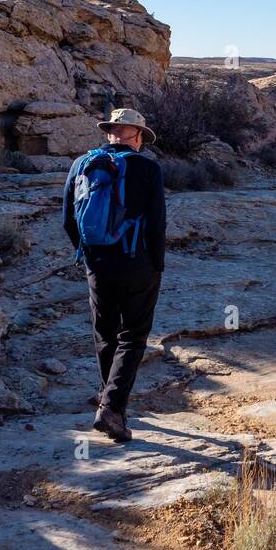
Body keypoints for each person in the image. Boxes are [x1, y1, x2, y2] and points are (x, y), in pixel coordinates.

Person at [61, 108, 165, 443]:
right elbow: (157, 223)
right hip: (137, 264)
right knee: (133, 337)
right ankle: (112, 409)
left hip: (98, 264)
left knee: (105, 332)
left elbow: (67, 219)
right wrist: (156, 264)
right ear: (137, 135)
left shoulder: (82, 164)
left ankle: (110, 398)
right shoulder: (147, 166)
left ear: (111, 133)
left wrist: (88, 255)